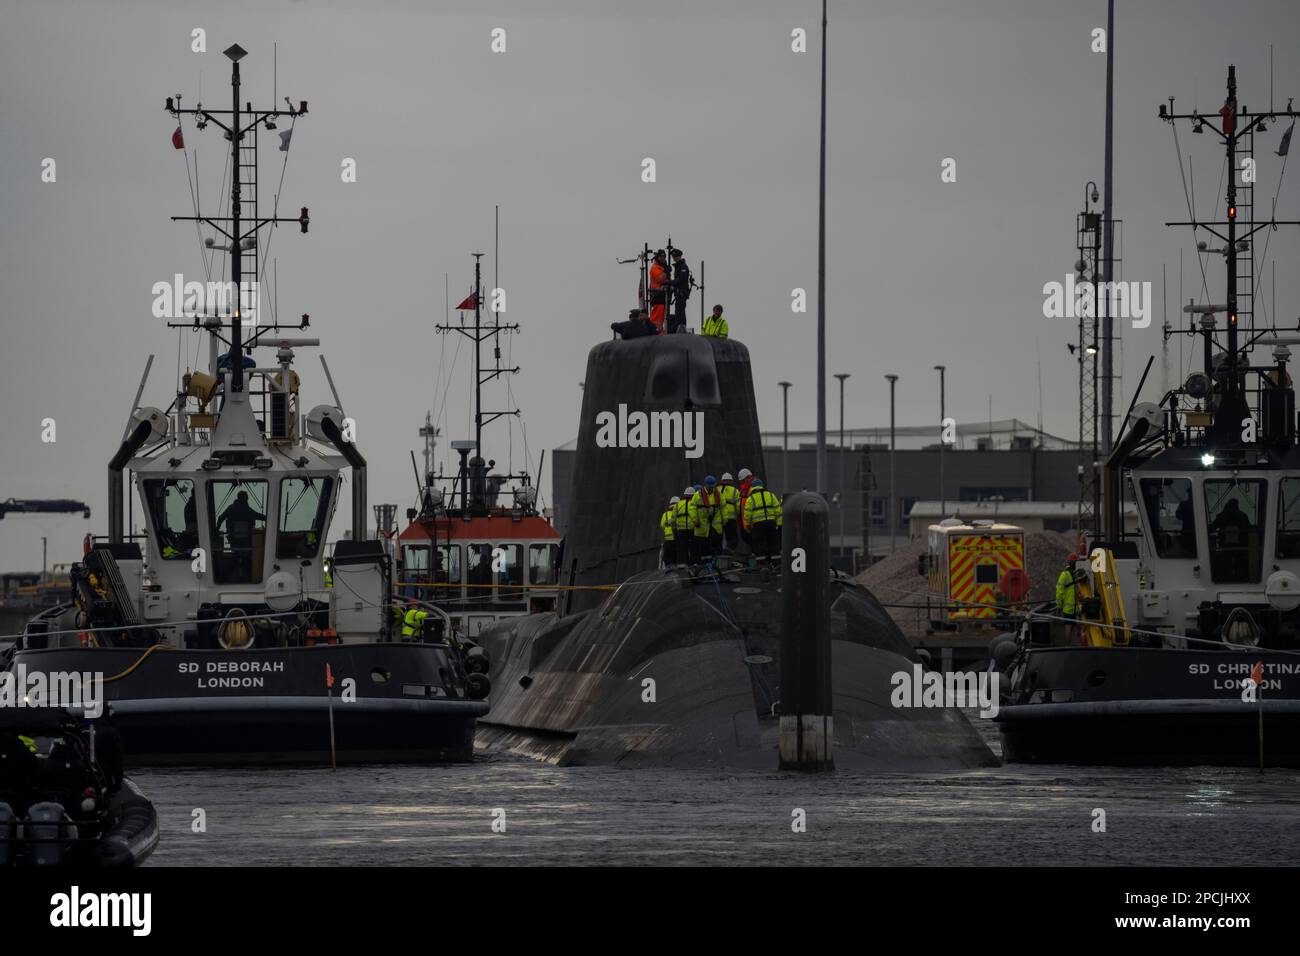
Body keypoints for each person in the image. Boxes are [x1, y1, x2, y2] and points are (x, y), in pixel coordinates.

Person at [218, 489, 265, 576]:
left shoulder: (231, 508)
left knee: (235, 556)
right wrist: (268, 518)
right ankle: (248, 574)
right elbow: (257, 516)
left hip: (233, 539)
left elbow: (220, 518)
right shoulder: (246, 509)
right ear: (245, 499)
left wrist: (215, 530)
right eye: (246, 498)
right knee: (247, 558)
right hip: (246, 540)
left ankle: (234, 573)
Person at [742, 478, 783, 565]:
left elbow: (747, 515)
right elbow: (778, 511)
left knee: (759, 545)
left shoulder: (751, 498)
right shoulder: (771, 495)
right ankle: (776, 565)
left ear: (752, 487)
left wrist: (747, 527)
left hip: (758, 525)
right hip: (771, 523)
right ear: (762, 486)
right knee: (773, 544)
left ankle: (762, 566)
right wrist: (779, 524)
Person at [689, 476, 724, 562]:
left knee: (716, 543)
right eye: (709, 487)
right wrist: (695, 519)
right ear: (705, 486)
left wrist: (725, 518)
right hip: (702, 526)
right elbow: (692, 508)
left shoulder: (719, 494)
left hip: (715, 526)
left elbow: (724, 507)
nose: (711, 489)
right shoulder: (697, 496)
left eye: (712, 487)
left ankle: (717, 562)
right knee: (704, 546)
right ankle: (705, 564)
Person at [669, 249, 692, 333]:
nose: (674, 258)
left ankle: (681, 327)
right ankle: (679, 326)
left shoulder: (683, 267)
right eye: (673, 257)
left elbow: (681, 279)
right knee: (678, 310)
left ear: (679, 256)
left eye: (675, 257)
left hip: (682, 293)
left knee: (680, 311)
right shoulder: (678, 266)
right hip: (678, 293)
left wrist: (670, 282)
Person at [718, 473, 741, 551]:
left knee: (717, 539)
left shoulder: (716, 489)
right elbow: (738, 506)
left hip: (717, 519)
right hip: (731, 518)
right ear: (731, 481)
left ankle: (717, 555)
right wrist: (738, 516)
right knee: (732, 538)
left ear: (722, 480)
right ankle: (729, 553)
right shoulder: (735, 491)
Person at [648, 250, 670, 333]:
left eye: (664, 256)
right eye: (661, 256)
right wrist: (666, 272)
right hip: (657, 295)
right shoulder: (655, 268)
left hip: (663, 294)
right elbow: (660, 279)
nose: (663, 258)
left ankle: (659, 330)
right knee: (657, 314)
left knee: (662, 315)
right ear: (658, 257)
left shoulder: (661, 267)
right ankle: (655, 330)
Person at [673, 487, 695, 563]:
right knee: (693, 547)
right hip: (692, 530)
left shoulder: (677, 505)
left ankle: (682, 563)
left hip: (681, 531)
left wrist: (674, 529)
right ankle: (692, 563)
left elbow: (673, 519)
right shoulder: (693, 504)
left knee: (681, 548)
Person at [1054, 554, 1079, 619]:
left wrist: (1059, 605)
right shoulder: (1076, 574)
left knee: (1069, 626)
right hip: (1073, 607)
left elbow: (1059, 591)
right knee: (1070, 626)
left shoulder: (1065, 575)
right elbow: (1060, 591)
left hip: (1070, 607)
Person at [736, 467, 756, 545]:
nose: (742, 482)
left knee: (752, 539)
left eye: (743, 480)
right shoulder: (743, 490)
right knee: (745, 537)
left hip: (751, 521)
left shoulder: (753, 489)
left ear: (748, 478)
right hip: (744, 519)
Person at [661, 496, 680, 568]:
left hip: (668, 538)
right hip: (677, 537)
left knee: (668, 555)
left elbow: (662, 525)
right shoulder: (678, 512)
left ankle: (668, 566)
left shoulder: (665, 514)